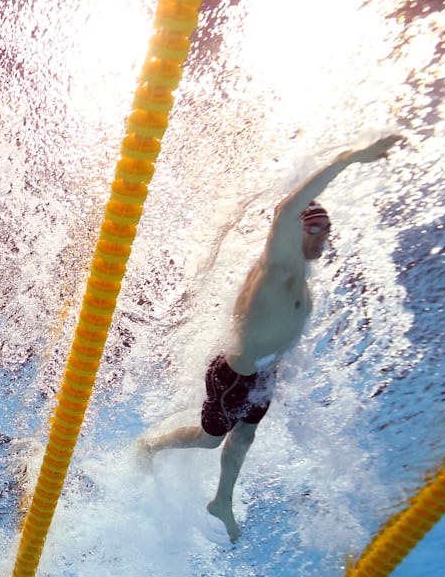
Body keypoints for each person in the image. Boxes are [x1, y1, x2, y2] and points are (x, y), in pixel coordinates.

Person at [139, 134, 401, 542]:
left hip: (263, 377)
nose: (323, 238)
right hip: (235, 375)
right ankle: (151, 447)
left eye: (326, 231)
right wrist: (349, 158)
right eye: (315, 229)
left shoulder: (301, 278)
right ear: (296, 233)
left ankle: (222, 500)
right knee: (211, 442)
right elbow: (286, 209)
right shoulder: (278, 265)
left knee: (245, 434)